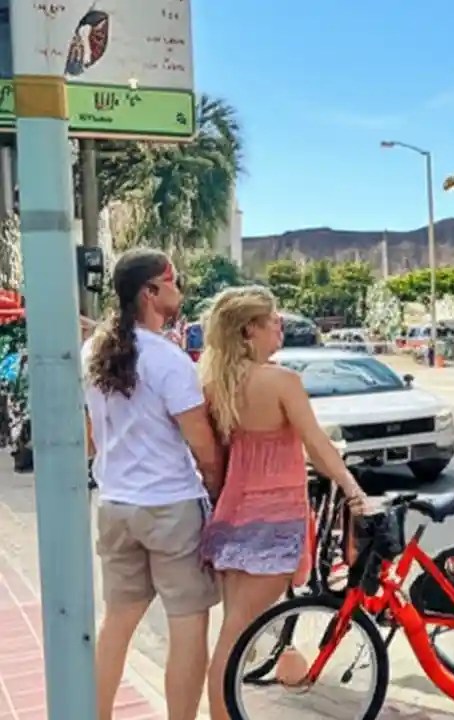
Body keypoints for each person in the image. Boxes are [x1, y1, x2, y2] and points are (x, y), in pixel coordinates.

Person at [197, 286, 369, 720]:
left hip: (233, 515)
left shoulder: (217, 382)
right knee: (237, 637)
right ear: (249, 330)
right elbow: (316, 444)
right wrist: (351, 488)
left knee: (233, 630)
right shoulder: (281, 381)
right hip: (273, 521)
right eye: (271, 319)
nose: (280, 325)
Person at [83, 249, 225, 720]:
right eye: (174, 280)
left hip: (115, 505)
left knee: (117, 624)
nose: (179, 289)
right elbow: (203, 447)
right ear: (151, 291)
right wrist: (219, 492)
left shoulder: (95, 351)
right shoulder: (169, 360)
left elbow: (90, 439)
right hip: (170, 508)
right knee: (187, 627)